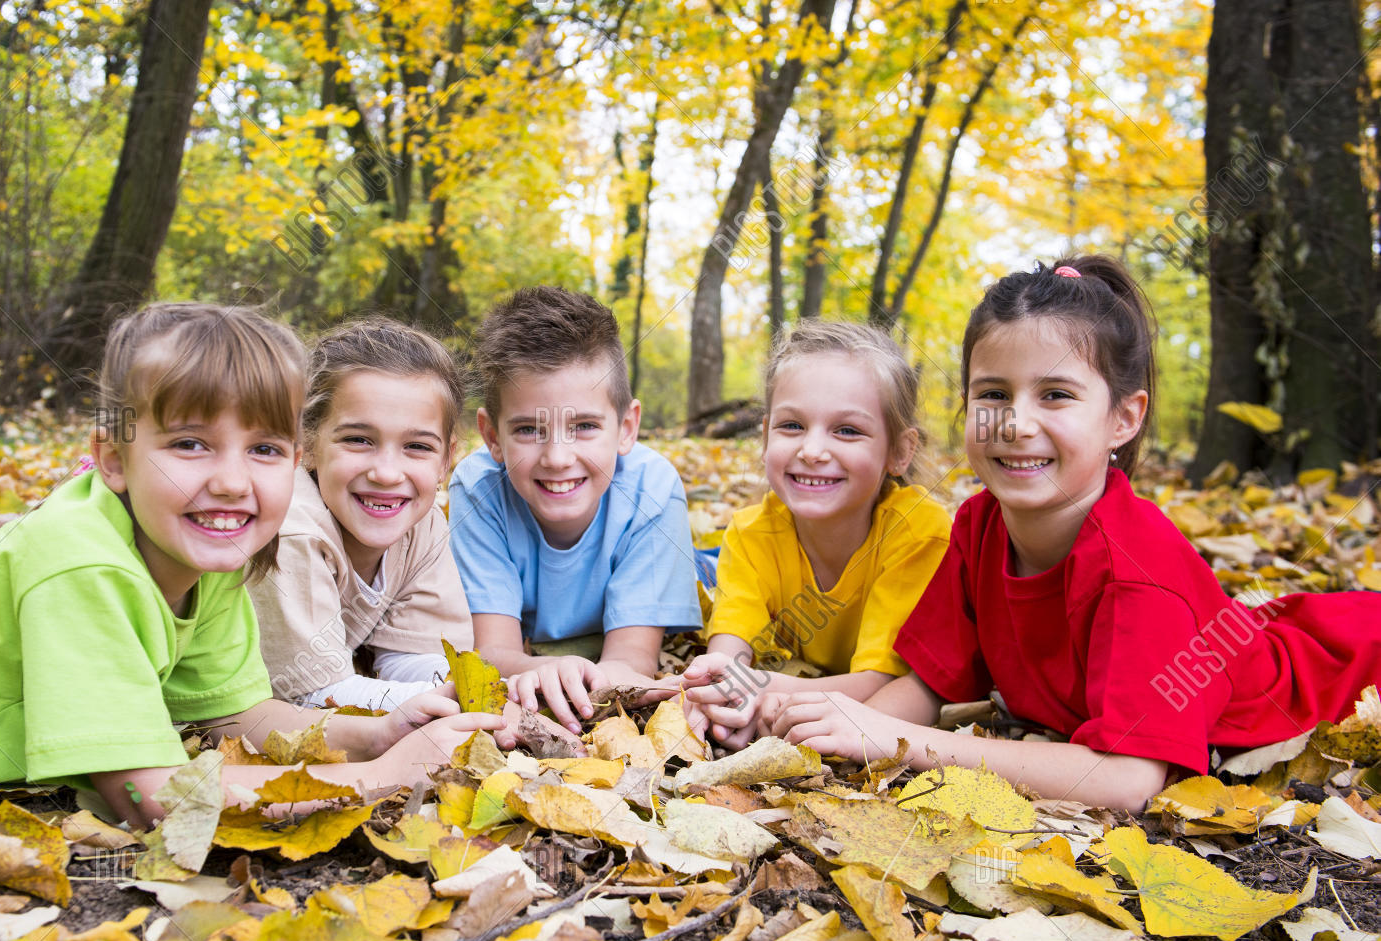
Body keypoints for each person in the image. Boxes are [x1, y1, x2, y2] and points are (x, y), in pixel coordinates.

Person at [768, 256, 1381, 811]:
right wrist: (810, 724)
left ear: (1123, 418)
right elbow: (928, 685)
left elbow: (1128, 780)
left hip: (1351, 672)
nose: (1015, 423)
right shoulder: (979, 524)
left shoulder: (1137, 568)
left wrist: (897, 744)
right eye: (993, 394)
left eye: (1056, 394)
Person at [0, 304, 502, 828]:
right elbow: (145, 794)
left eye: (263, 449)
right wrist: (375, 778)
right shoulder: (82, 563)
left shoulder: (219, 558)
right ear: (114, 458)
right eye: (190, 444)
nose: (232, 482)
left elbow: (237, 712)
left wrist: (378, 732)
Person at [665, 320, 951, 748]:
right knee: (689, 566)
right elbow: (733, 643)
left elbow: (880, 680)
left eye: (847, 430)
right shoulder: (748, 531)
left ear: (899, 451)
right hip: (720, 560)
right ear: (765, 436)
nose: (812, 451)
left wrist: (768, 691)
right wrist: (724, 690)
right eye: (792, 426)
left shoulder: (919, 534)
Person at [447, 286, 702, 734]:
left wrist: (555, 676)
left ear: (626, 428)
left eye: (584, 426)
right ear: (491, 437)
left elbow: (630, 661)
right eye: (528, 429)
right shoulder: (477, 490)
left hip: (685, 565)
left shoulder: (652, 489)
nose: (558, 458)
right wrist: (544, 670)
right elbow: (492, 653)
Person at [248, 318, 474, 712]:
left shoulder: (424, 525)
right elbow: (309, 693)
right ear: (308, 444)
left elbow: (406, 656)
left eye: (417, 446)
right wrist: (457, 704)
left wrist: (481, 691)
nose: (387, 473)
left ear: (445, 460)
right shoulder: (291, 527)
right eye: (358, 440)